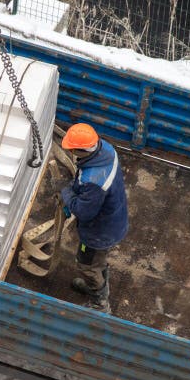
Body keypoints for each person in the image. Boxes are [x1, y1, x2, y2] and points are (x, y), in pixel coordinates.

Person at [59, 123, 128, 314]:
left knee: (87, 264)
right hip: (113, 218)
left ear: (82, 150)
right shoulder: (106, 149)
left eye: (72, 148)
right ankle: (96, 285)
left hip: (99, 231)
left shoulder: (94, 181)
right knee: (97, 261)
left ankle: (100, 303)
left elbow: (83, 211)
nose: (70, 150)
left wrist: (66, 193)